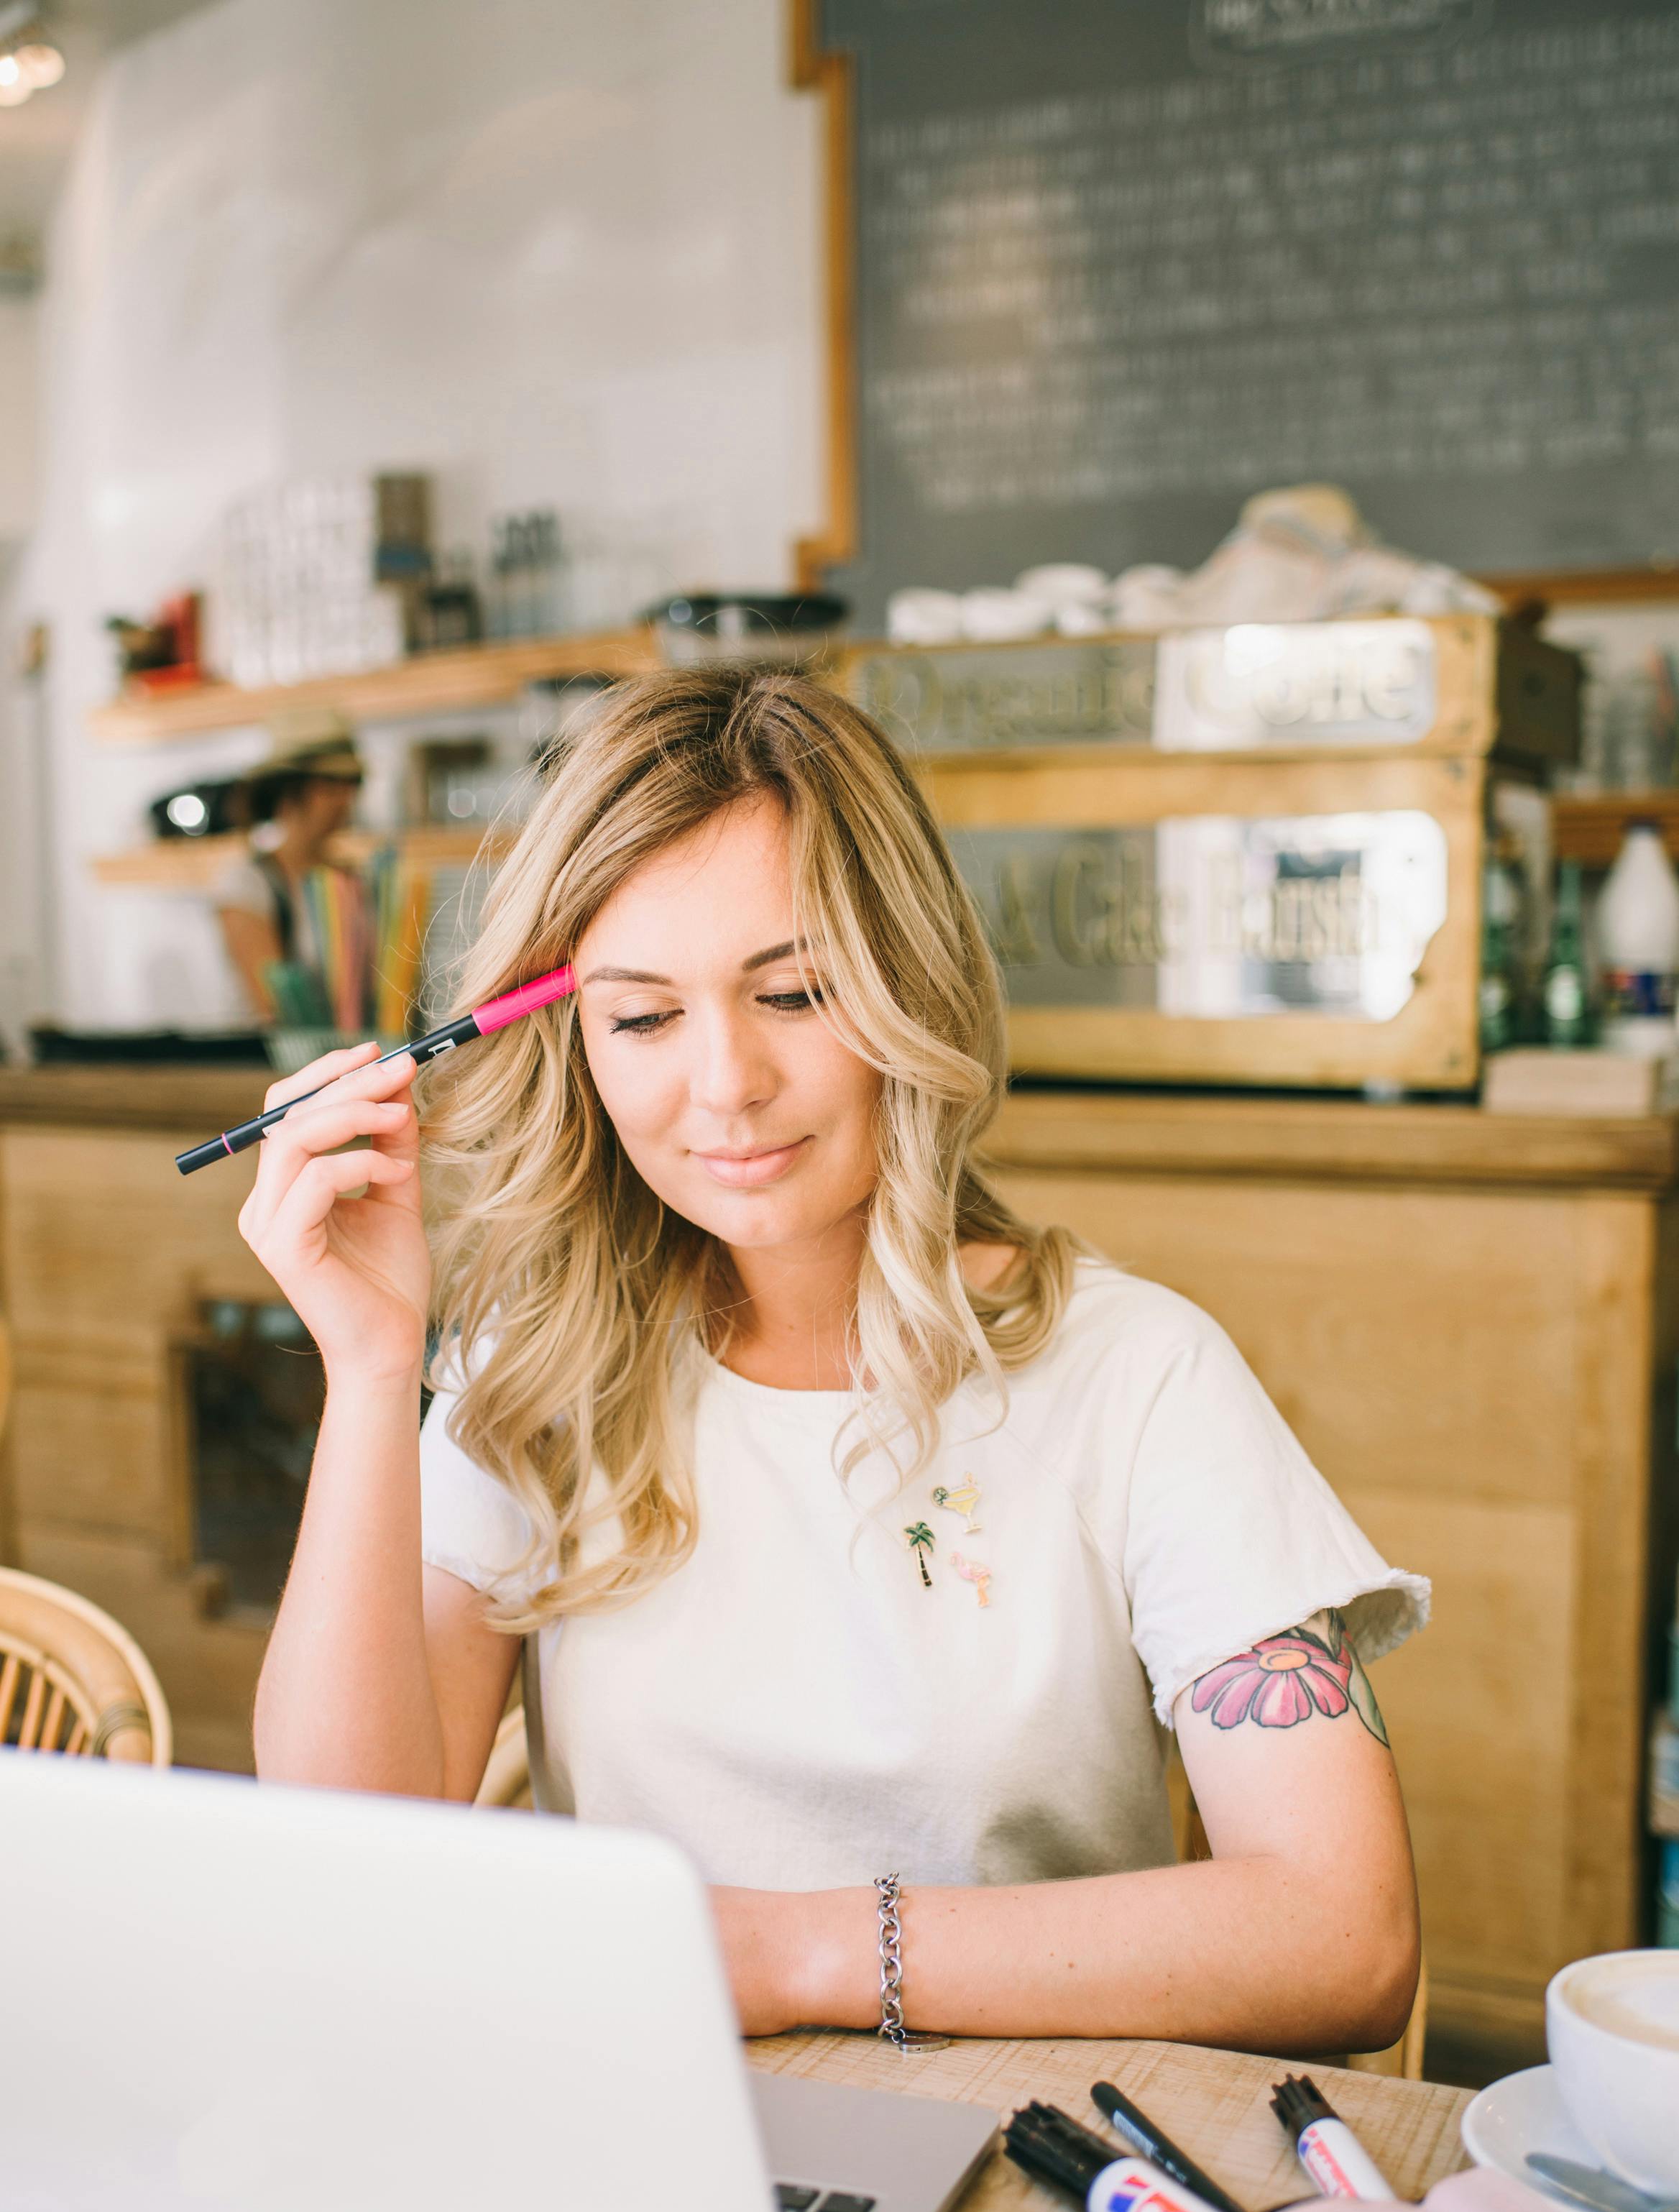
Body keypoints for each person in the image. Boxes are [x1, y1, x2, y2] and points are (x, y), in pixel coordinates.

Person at [242, 667, 1426, 2055]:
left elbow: (1345, 1938)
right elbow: (347, 1860)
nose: (726, 1083)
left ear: (904, 986)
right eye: (641, 1017)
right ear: (572, 1042)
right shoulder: (538, 1369)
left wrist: (790, 1950)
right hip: (642, 2127)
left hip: (1038, 2147)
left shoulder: (1138, 1375)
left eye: (793, 992)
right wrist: (374, 1369)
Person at [212, 713, 365, 1018]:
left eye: (350, 785)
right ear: (289, 790)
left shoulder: (356, 878)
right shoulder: (249, 884)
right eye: (330, 785)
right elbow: (274, 1005)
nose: (345, 799)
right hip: (270, 1062)